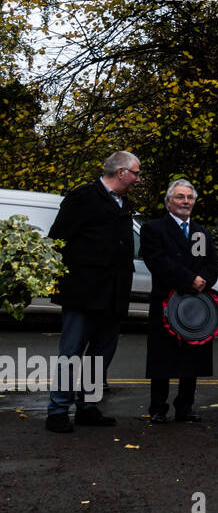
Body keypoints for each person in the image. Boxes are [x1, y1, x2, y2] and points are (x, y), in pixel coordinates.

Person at [45, 150, 141, 433]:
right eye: (136, 173)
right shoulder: (83, 197)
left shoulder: (124, 203)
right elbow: (58, 238)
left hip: (114, 294)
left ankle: (88, 407)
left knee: (101, 354)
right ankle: (58, 410)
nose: (138, 179)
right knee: (72, 352)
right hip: (83, 291)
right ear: (121, 172)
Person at [140, 178, 218, 423]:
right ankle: (158, 408)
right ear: (168, 202)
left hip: (195, 304)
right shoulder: (154, 229)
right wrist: (188, 279)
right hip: (166, 300)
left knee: (191, 357)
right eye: (179, 197)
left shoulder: (201, 232)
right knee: (162, 357)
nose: (185, 202)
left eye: (189, 198)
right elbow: (157, 261)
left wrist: (203, 280)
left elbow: (213, 264)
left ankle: (185, 407)